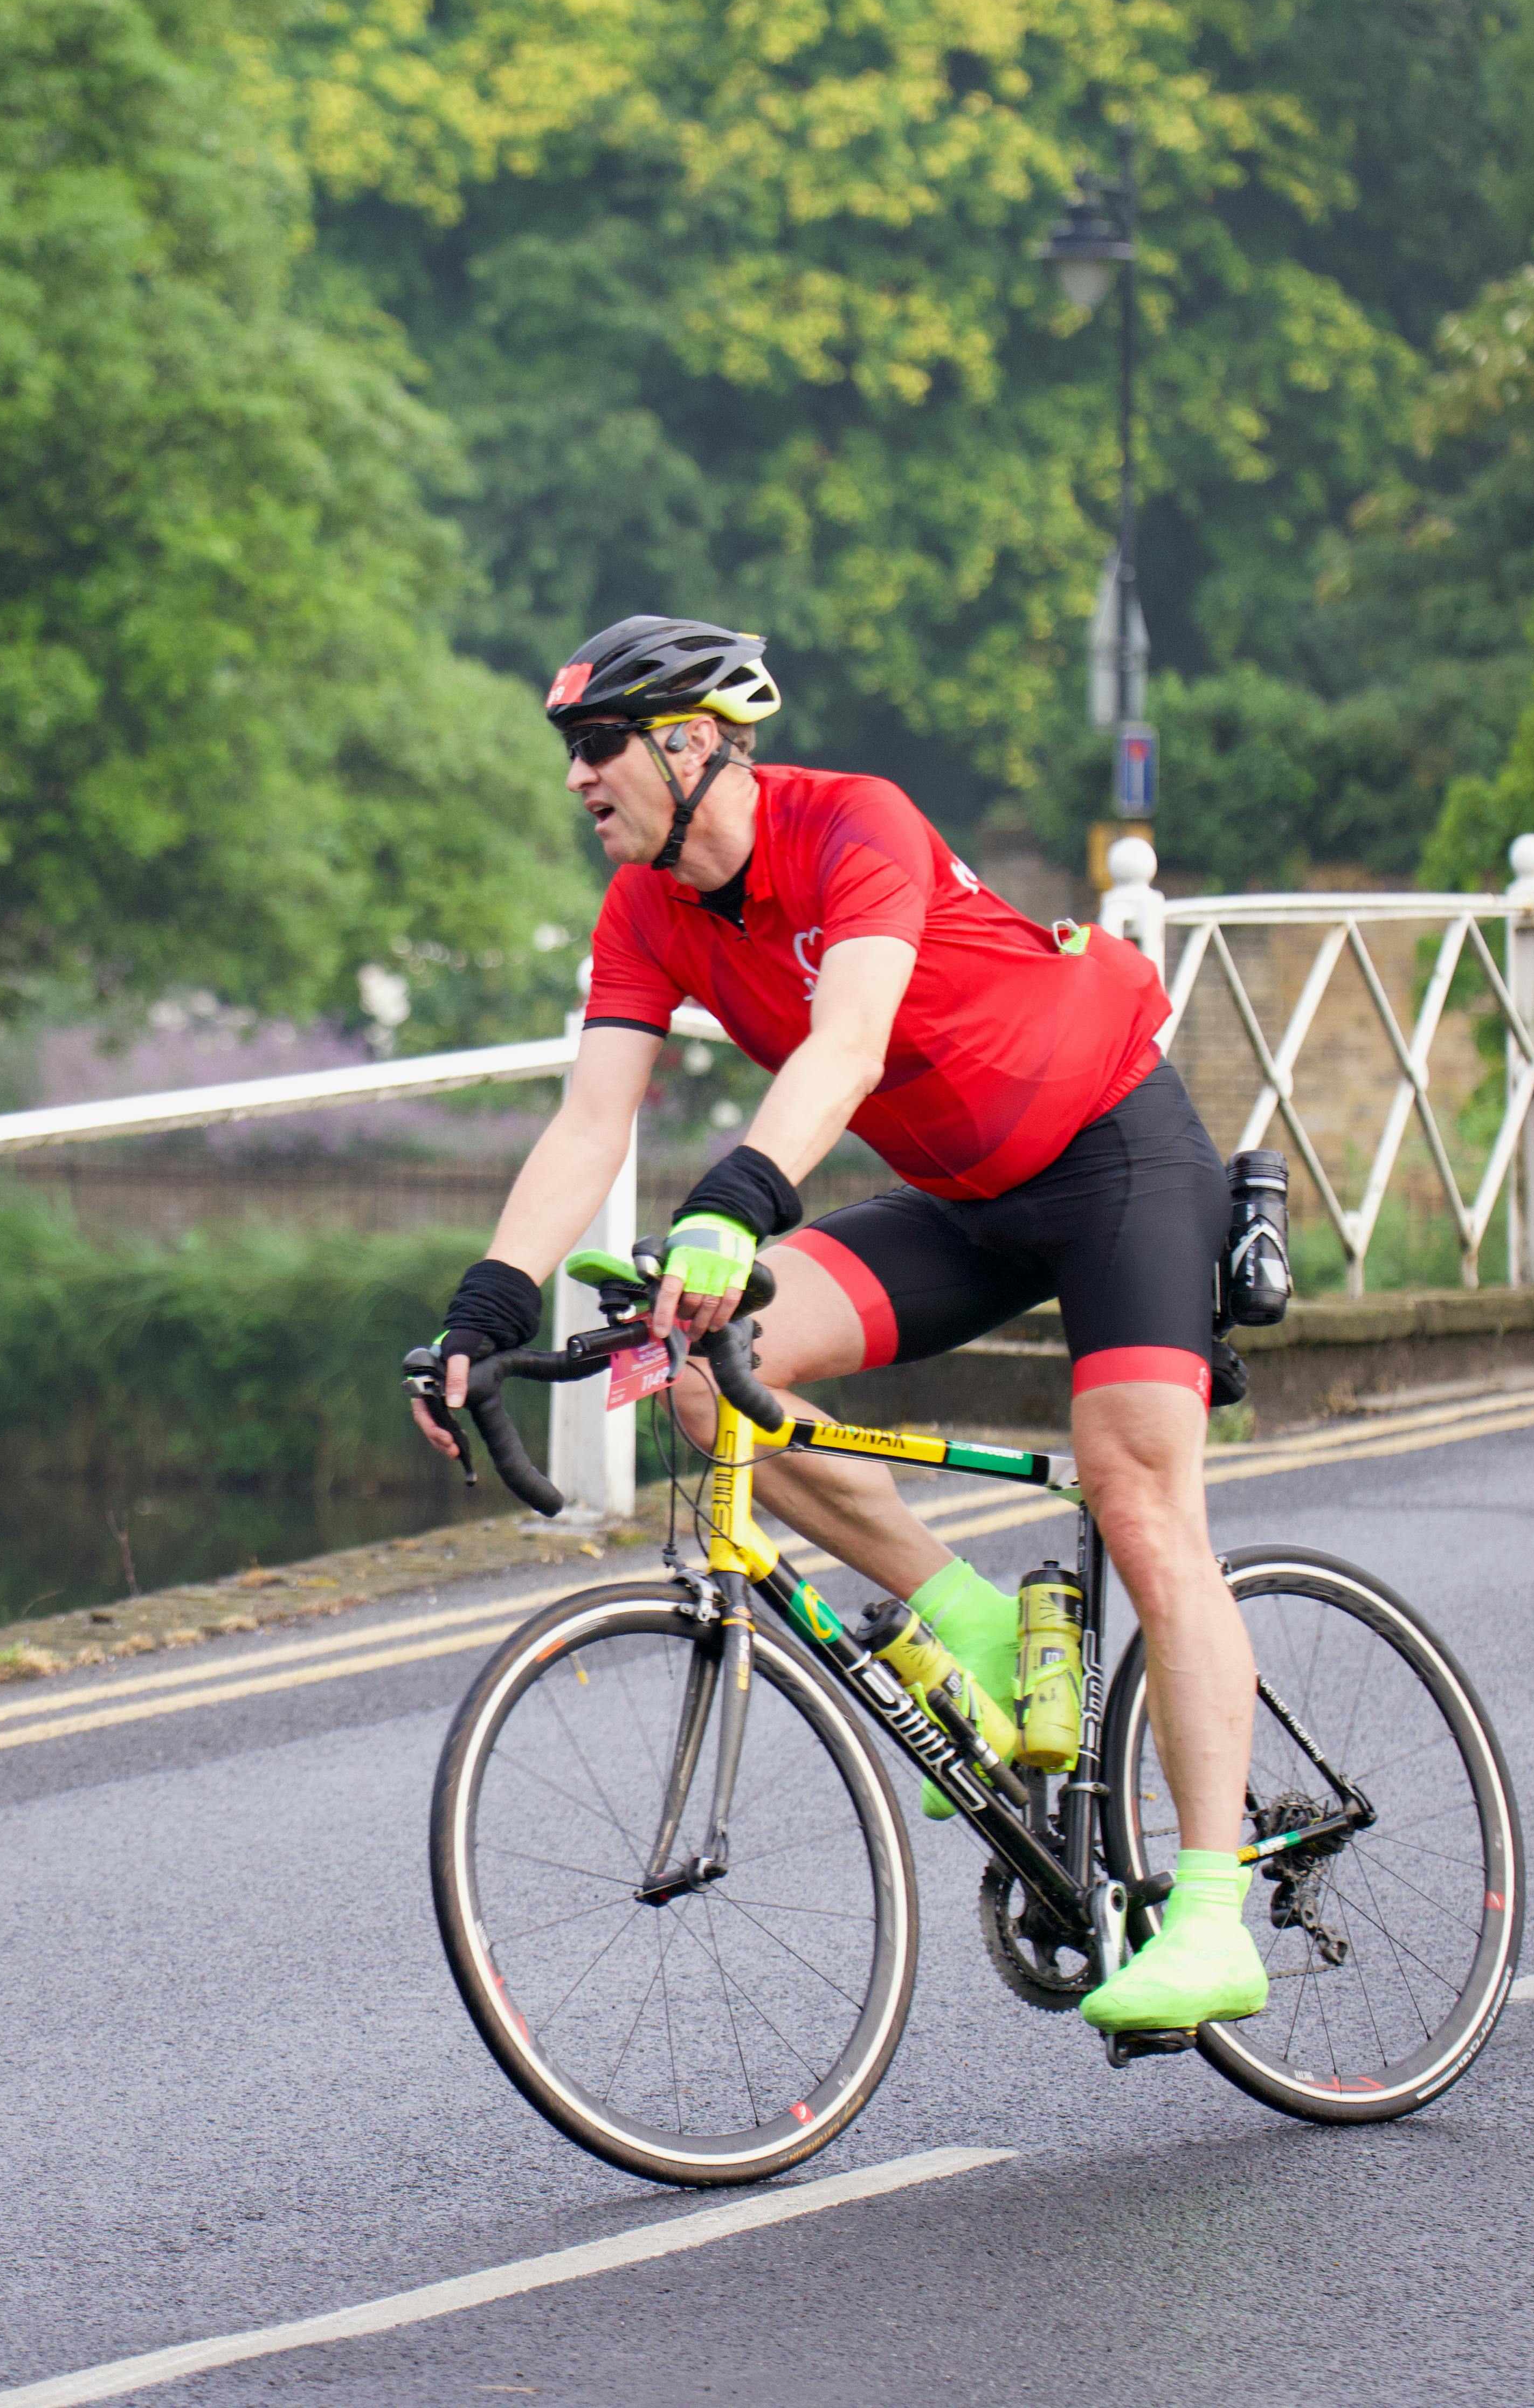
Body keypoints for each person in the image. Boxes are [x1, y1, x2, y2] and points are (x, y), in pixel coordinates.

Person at [409, 613, 1270, 2037]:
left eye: (600, 745)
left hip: (1116, 1155)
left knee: (1136, 1495)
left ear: (696, 742)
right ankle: (972, 1621)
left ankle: (1216, 1916)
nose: (576, 777)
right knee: (706, 1381)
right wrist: (486, 1302)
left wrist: (734, 1202)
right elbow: (590, 1122)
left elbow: (849, 1040)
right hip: (963, 1197)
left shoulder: (853, 822)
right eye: (571, 750)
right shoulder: (644, 914)